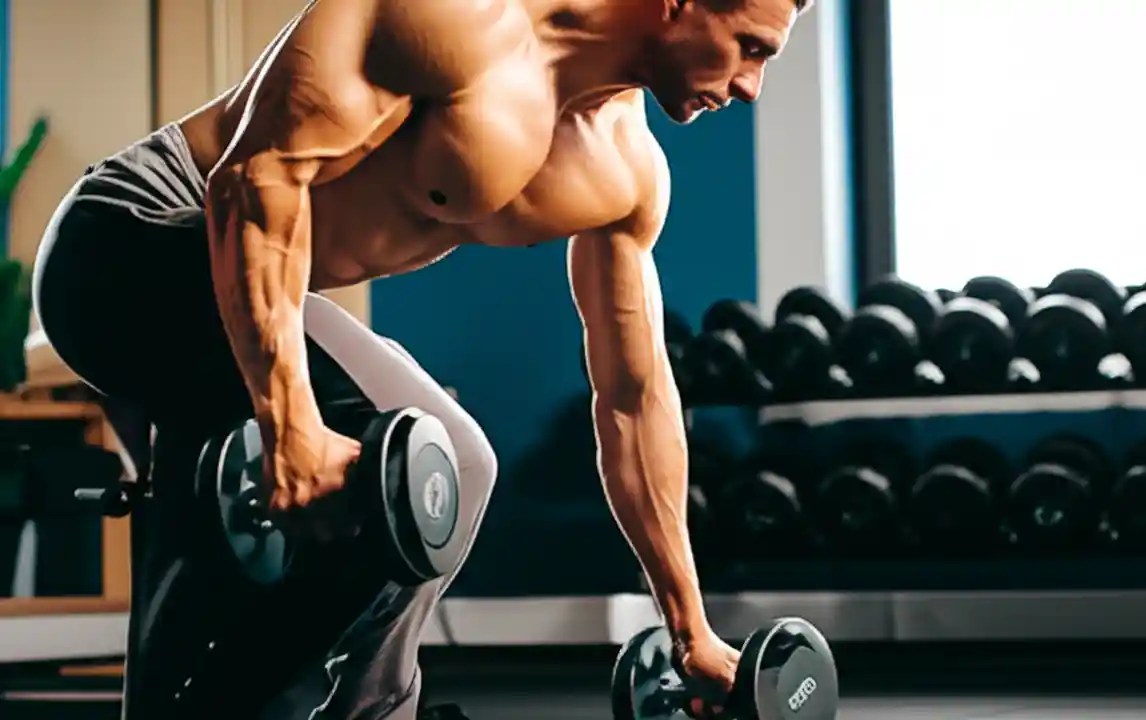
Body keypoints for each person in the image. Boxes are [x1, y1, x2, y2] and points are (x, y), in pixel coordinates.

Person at [31, 0, 811, 717]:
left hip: (256, 293)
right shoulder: (452, 20)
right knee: (391, 470)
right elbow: (257, 178)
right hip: (127, 242)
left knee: (457, 467)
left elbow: (635, 400)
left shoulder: (626, 171)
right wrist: (291, 423)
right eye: (749, 47)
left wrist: (690, 629)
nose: (751, 86)